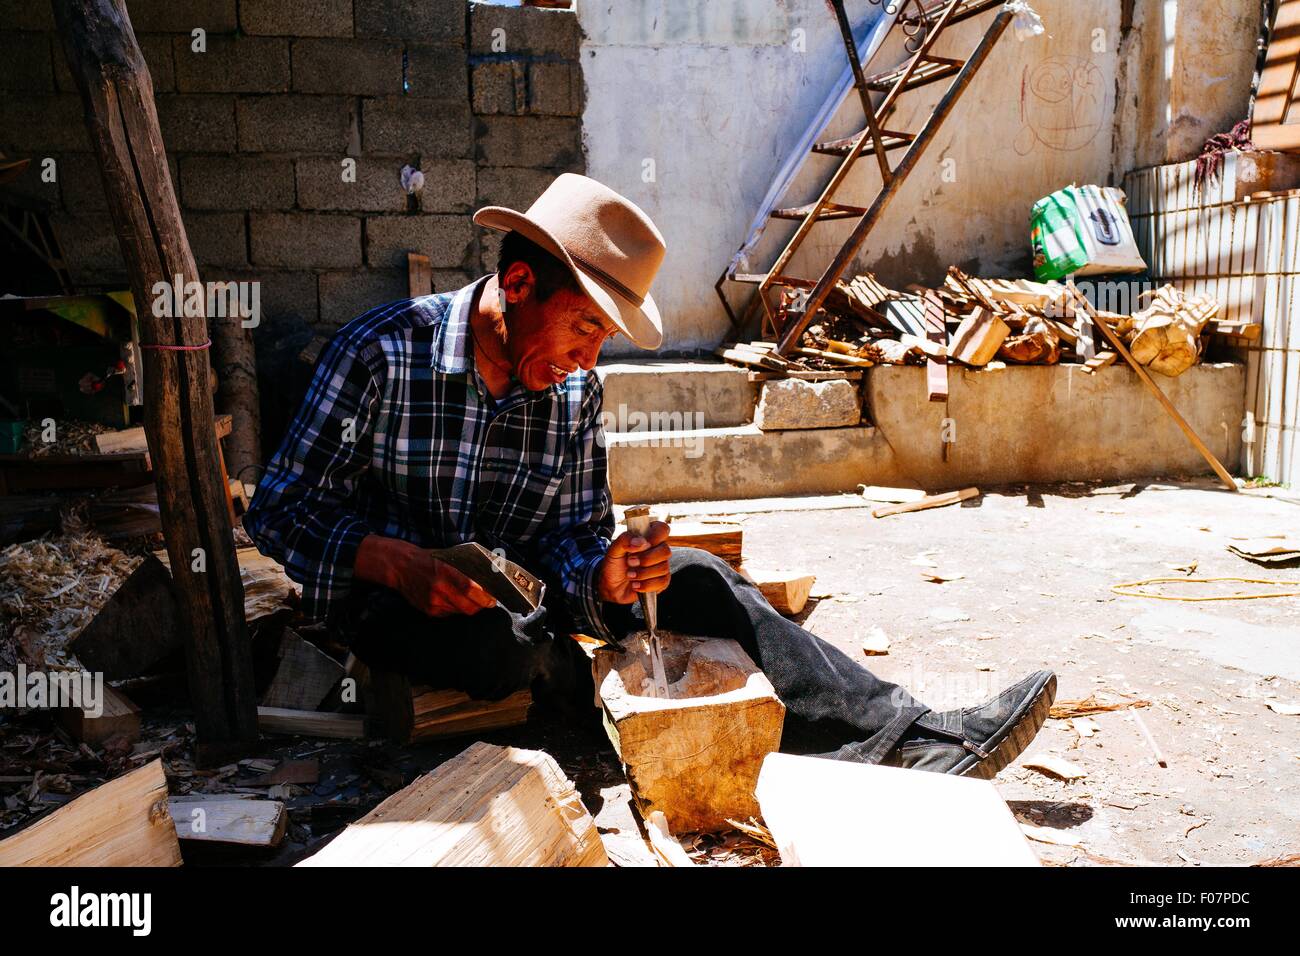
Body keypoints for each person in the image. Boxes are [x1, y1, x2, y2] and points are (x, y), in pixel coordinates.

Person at [244, 173, 1056, 777]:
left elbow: (572, 536)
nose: (590, 358)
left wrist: (605, 570)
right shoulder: (383, 355)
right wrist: (388, 560)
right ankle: (574, 689)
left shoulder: (571, 391)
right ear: (519, 285)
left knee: (698, 580)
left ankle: (907, 738)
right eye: (584, 327)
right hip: (400, 607)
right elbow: (278, 508)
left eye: (603, 337)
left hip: (524, 600)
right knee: (498, 650)